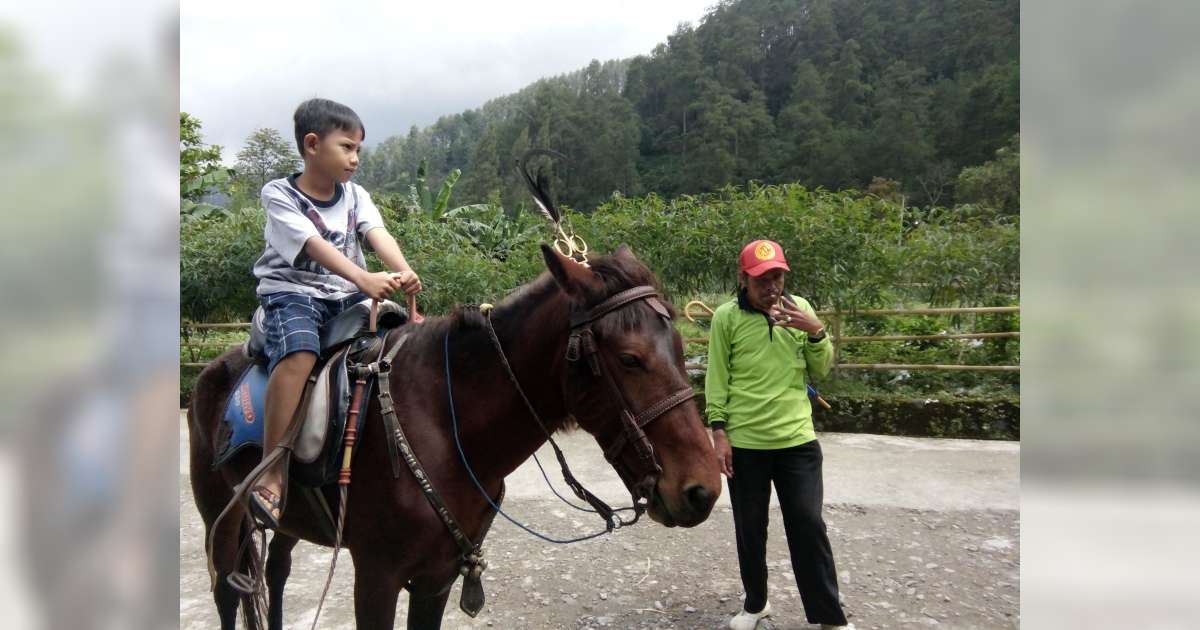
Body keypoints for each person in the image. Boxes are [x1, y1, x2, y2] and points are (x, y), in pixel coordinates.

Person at [248, 98, 422, 529]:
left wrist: (403, 271)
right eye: (346, 147)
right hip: (292, 293)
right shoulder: (279, 194)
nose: (355, 158)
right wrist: (363, 278)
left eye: (358, 149)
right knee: (299, 353)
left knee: (402, 344)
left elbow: (376, 233)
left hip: (344, 295)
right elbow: (312, 244)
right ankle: (272, 467)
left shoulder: (356, 195)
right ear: (312, 144)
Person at [705, 239, 854, 630]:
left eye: (777, 277)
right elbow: (717, 377)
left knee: (808, 523)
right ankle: (756, 605)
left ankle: (829, 617)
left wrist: (816, 332)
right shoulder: (726, 318)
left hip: (797, 442)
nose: (771, 287)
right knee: (750, 529)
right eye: (761, 279)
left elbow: (821, 371)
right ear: (743, 279)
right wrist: (719, 433)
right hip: (745, 444)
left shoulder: (800, 309)